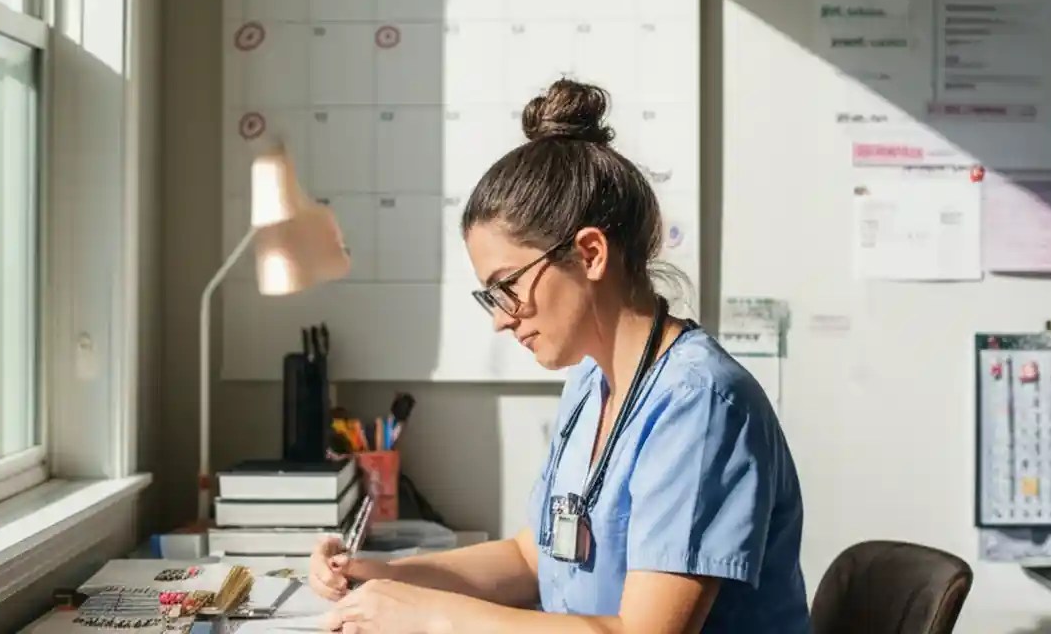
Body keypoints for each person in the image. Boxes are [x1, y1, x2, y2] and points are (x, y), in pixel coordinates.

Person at [310, 79, 809, 633]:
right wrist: (380, 576)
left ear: (590, 253)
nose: (500, 317)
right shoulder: (592, 383)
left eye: (507, 286)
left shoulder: (702, 404)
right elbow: (532, 559)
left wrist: (430, 617)